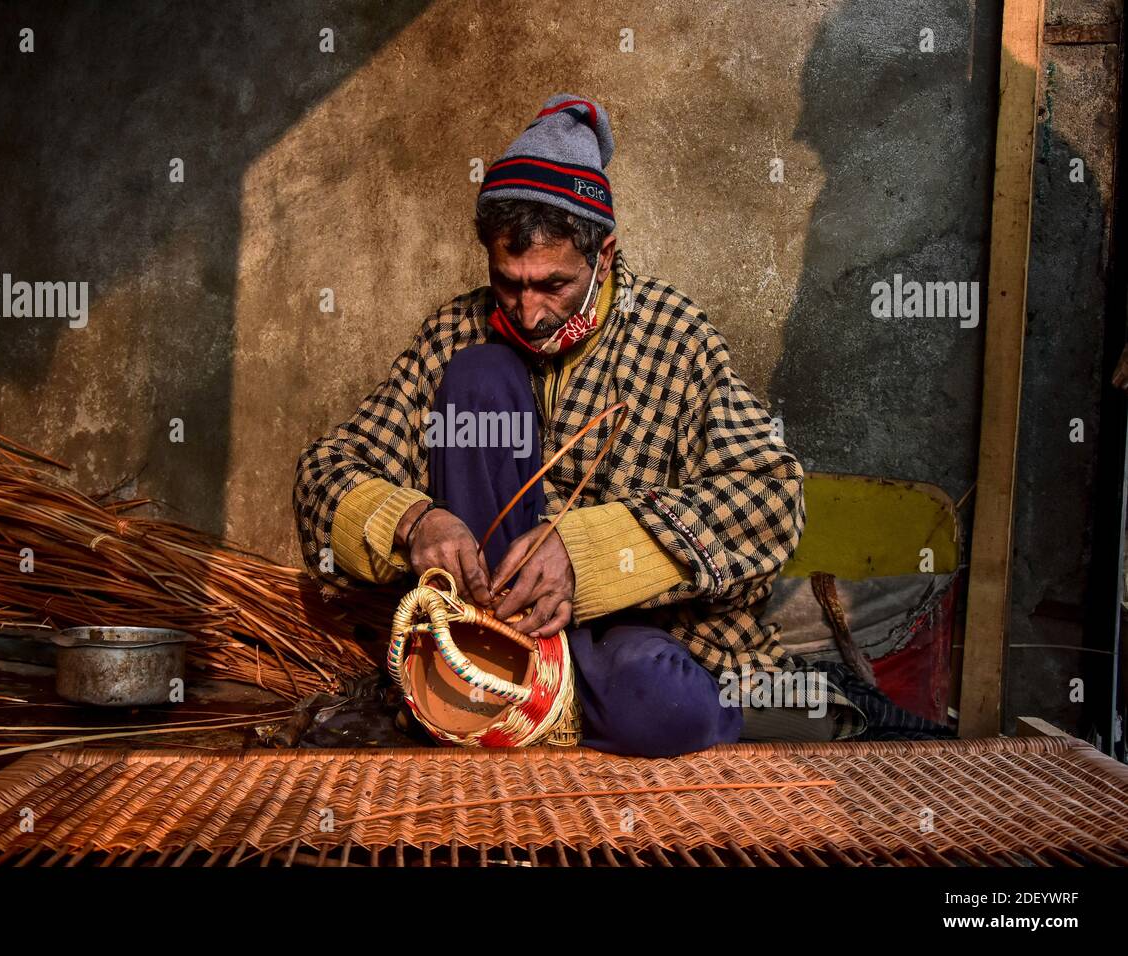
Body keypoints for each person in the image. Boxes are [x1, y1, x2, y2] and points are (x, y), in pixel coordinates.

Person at [293, 93, 862, 756]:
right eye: (509, 282)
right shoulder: (456, 330)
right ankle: (503, 672)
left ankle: (506, 699)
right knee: (481, 374)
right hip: (486, 623)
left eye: (553, 285)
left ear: (606, 253)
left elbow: (768, 495)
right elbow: (324, 475)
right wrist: (412, 523)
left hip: (619, 633)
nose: (529, 312)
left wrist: (584, 556)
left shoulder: (674, 336)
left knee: (667, 704)